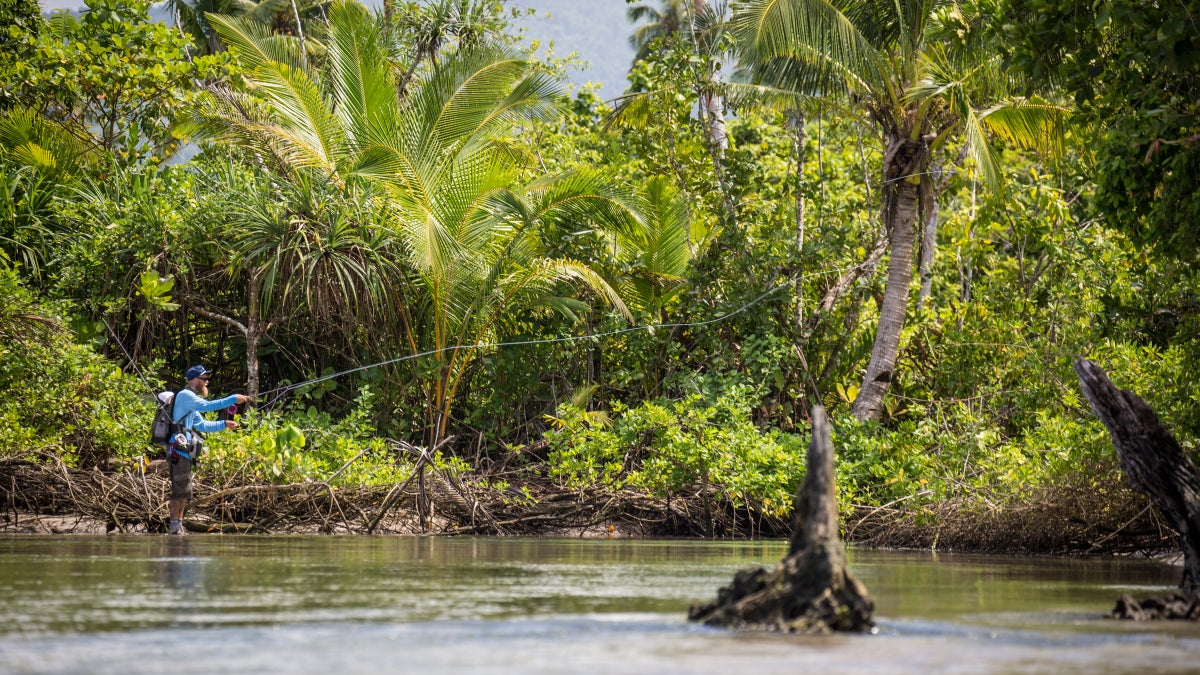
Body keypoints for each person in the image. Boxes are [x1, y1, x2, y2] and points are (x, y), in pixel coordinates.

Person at [168, 365, 249, 535]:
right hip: (177, 450)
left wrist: (224, 424)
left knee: (185, 491)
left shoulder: (191, 400)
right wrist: (233, 399)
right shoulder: (185, 395)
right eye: (204, 379)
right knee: (179, 491)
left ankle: (178, 525)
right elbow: (207, 406)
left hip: (185, 450)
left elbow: (202, 424)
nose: (207, 382)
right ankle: (174, 526)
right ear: (195, 380)